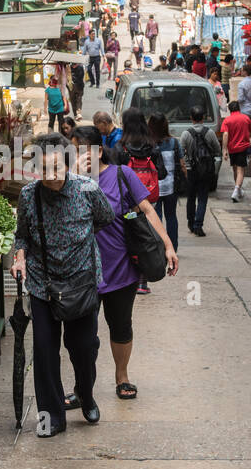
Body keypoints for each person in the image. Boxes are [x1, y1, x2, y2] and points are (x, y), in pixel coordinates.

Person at [10, 133, 113, 436]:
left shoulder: (88, 190)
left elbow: (105, 219)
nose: (51, 176)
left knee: (83, 349)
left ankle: (85, 393)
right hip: (43, 284)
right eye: (44, 169)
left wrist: (79, 246)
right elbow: (21, 235)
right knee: (44, 351)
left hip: (81, 283)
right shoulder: (29, 195)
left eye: (56, 168)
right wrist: (19, 258)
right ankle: (51, 418)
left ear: (69, 165)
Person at [68, 125, 178, 403]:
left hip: (120, 267)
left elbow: (148, 209)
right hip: (82, 270)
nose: (78, 155)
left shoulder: (121, 175)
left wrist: (167, 244)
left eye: (82, 149)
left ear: (98, 150)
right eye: (74, 150)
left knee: (120, 326)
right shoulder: (69, 181)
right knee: (83, 336)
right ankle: (83, 388)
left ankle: (122, 377)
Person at [108, 108, 166, 294]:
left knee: (129, 236)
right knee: (147, 237)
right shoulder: (153, 147)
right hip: (149, 200)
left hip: (127, 203)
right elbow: (162, 173)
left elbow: (112, 175)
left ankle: (127, 277)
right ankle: (143, 281)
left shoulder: (120, 147)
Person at [180, 106, 221, 237]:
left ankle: (191, 223)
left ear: (191, 118)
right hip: (205, 170)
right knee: (202, 198)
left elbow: (180, 153)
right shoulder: (209, 133)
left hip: (191, 170)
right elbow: (217, 150)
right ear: (203, 118)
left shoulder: (186, 134)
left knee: (191, 198)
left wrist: (185, 165)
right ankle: (199, 225)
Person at [147, 113, 182, 253]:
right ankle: (173, 247)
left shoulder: (147, 144)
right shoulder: (173, 142)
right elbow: (182, 163)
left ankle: (160, 246)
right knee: (171, 216)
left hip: (153, 187)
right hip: (170, 186)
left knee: (156, 217)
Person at [220, 101, 251, 203]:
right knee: (240, 170)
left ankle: (237, 189)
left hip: (232, 148)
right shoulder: (246, 118)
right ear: (239, 108)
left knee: (235, 169)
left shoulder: (227, 120)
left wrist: (224, 149)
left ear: (230, 110)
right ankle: (237, 190)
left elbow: (225, 135)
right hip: (242, 148)